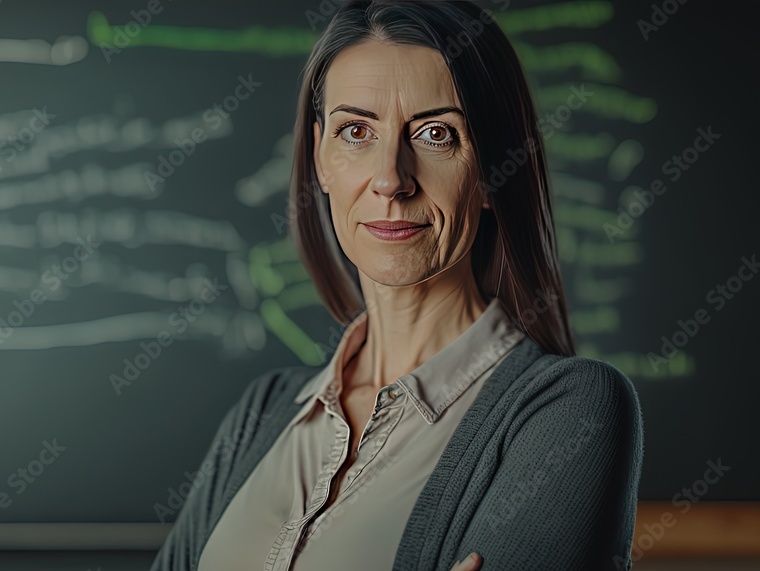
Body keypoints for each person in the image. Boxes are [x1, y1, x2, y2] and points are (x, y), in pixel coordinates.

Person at [151, 1, 644, 569]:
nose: (390, 177)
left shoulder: (569, 412)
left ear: (492, 171)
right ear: (321, 159)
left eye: (436, 133)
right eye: (356, 130)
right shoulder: (261, 416)